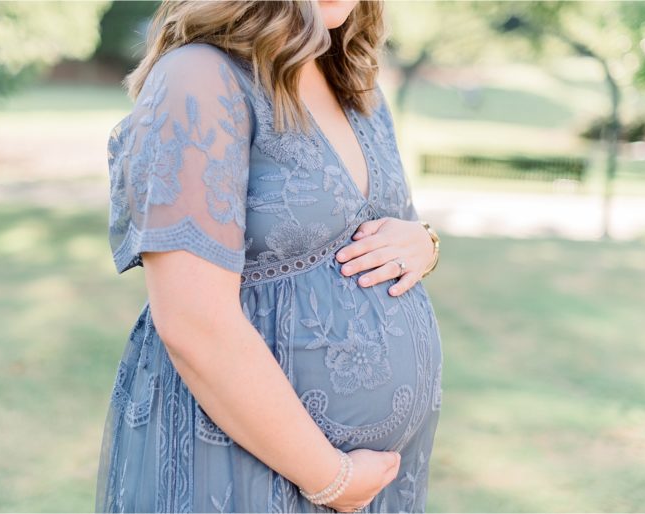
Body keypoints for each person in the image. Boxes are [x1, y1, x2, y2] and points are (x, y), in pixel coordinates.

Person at [94, 1, 444, 512]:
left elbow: (390, 232)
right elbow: (194, 322)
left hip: (380, 483)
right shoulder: (198, 77)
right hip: (244, 468)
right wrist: (331, 477)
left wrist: (425, 244)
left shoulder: (353, 80)